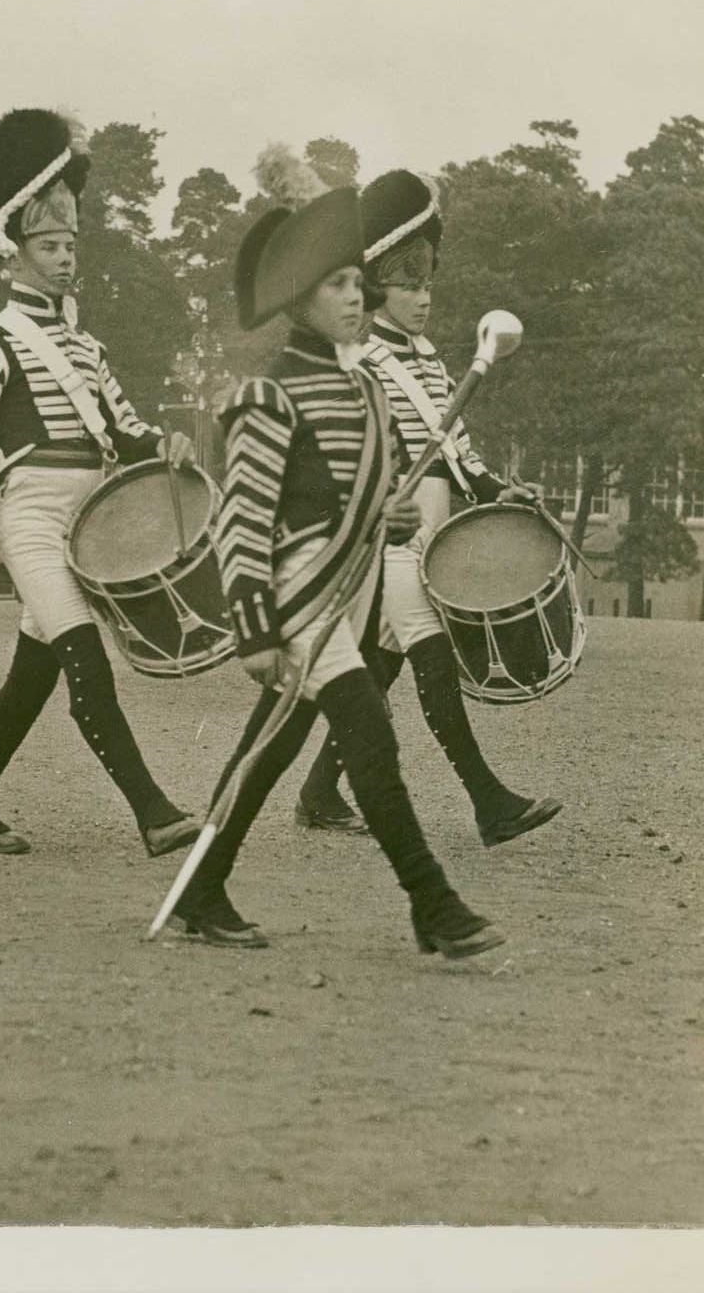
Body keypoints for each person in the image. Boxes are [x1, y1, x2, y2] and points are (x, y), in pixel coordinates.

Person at [168, 185, 503, 958]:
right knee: (370, 738)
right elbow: (245, 520)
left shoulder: (365, 389)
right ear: (299, 301)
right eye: (339, 286)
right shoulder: (266, 396)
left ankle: (197, 890)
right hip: (295, 600)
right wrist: (254, 629)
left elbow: (372, 495)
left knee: (269, 750)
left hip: (346, 599)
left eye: (359, 283)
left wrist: (395, 514)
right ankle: (434, 906)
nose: (358, 296)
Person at [0, 108, 201, 860]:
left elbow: (122, 430)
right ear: (11, 254)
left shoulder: (85, 347)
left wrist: (167, 443)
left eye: (69, 244)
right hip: (28, 517)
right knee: (85, 653)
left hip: (88, 519)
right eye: (48, 245)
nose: (63, 258)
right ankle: (153, 811)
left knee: (33, 676)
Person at [291, 170, 561, 843]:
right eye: (409, 282)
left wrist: (499, 489)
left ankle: (320, 792)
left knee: (381, 666)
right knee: (430, 651)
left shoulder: (435, 361)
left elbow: (458, 452)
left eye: (429, 282)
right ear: (377, 283)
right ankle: (488, 801)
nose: (423, 297)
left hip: (436, 524)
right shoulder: (356, 359)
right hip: (391, 536)